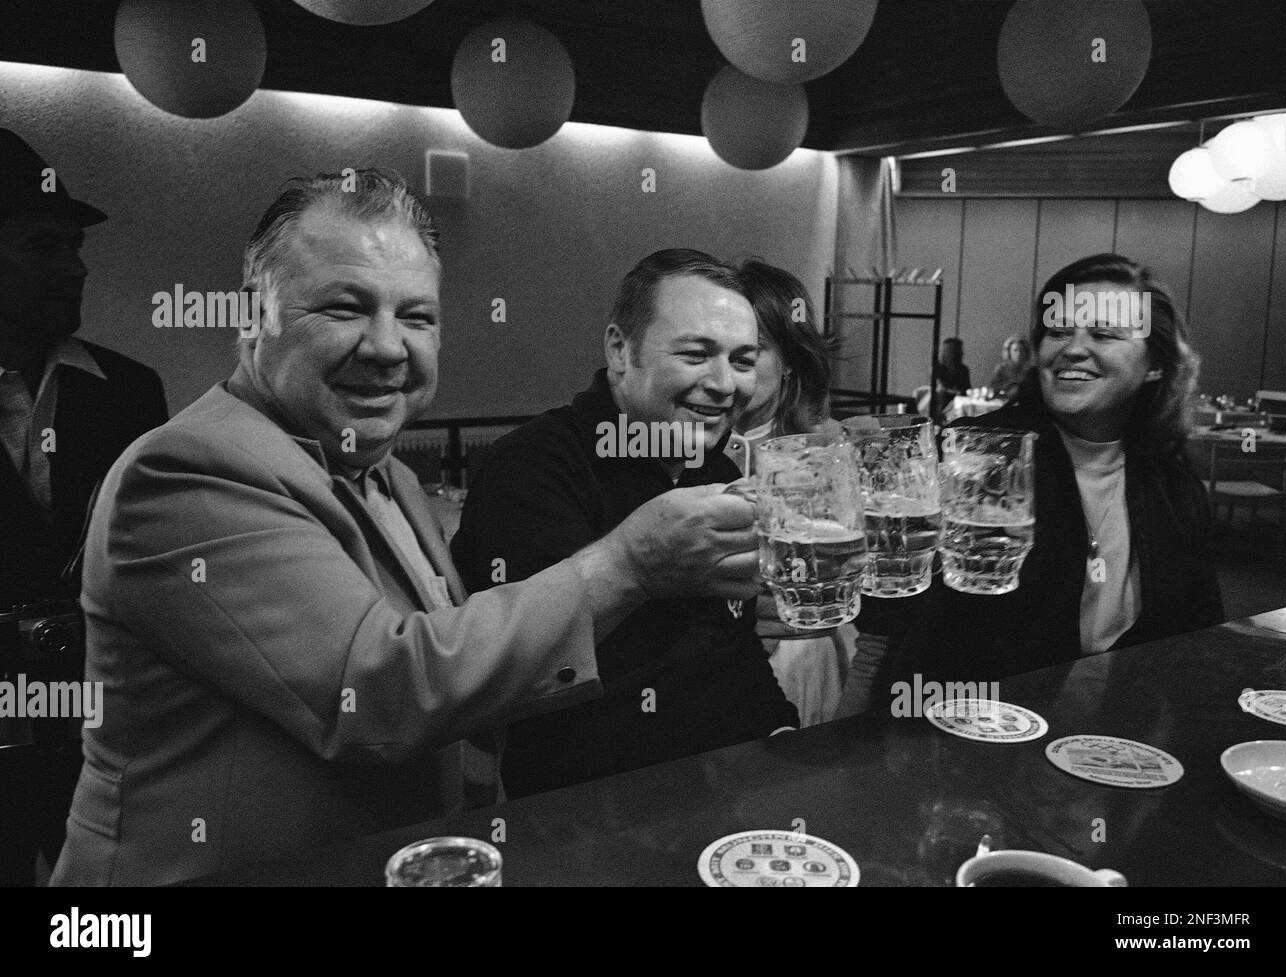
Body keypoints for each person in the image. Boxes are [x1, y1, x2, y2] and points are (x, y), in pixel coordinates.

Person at [51, 175, 764, 885]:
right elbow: (382, 692)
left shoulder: (381, 468)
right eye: (346, 306)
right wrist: (630, 564)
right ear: (252, 314)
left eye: (416, 316)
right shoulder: (185, 468)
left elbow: (466, 675)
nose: (389, 347)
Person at [451, 249, 798, 798]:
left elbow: (730, 643)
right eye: (695, 354)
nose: (723, 384)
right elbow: (519, 679)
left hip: (734, 790)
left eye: (742, 360)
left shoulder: (717, 467)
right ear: (620, 350)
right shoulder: (533, 468)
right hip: (594, 818)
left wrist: (779, 728)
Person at [887, 254, 1223, 686]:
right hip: (978, 724)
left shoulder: (1172, 484)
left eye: (1104, 333)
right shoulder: (975, 455)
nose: (1073, 348)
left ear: (1155, 364)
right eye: (1058, 331)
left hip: (1117, 730)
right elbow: (902, 610)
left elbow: (1198, 633)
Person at [0, 128, 167, 885]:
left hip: (105, 734)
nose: (75, 266)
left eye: (75, 245)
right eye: (43, 244)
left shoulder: (130, 391)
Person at [723, 259, 851, 727]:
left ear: (792, 362)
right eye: (715, 350)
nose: (727, 372)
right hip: (701, 672)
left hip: (802, 658)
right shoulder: (676, 446)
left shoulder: (831, 450)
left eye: (748, 352)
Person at [933, 337, 970, 415]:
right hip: (942, 405)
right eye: (959, 350)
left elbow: (967, 389)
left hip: (961, 404)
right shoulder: (937, 368)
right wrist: (956, 392)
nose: (962, 352)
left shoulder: (963, 369)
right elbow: (940, 388)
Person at [990, 335, 1031, 400]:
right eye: (1015, 350)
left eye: (1022, 350)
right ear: (1009, 352)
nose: (1019, 353)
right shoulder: (1001, 369)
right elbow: (994, 390)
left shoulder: (1030, 371)